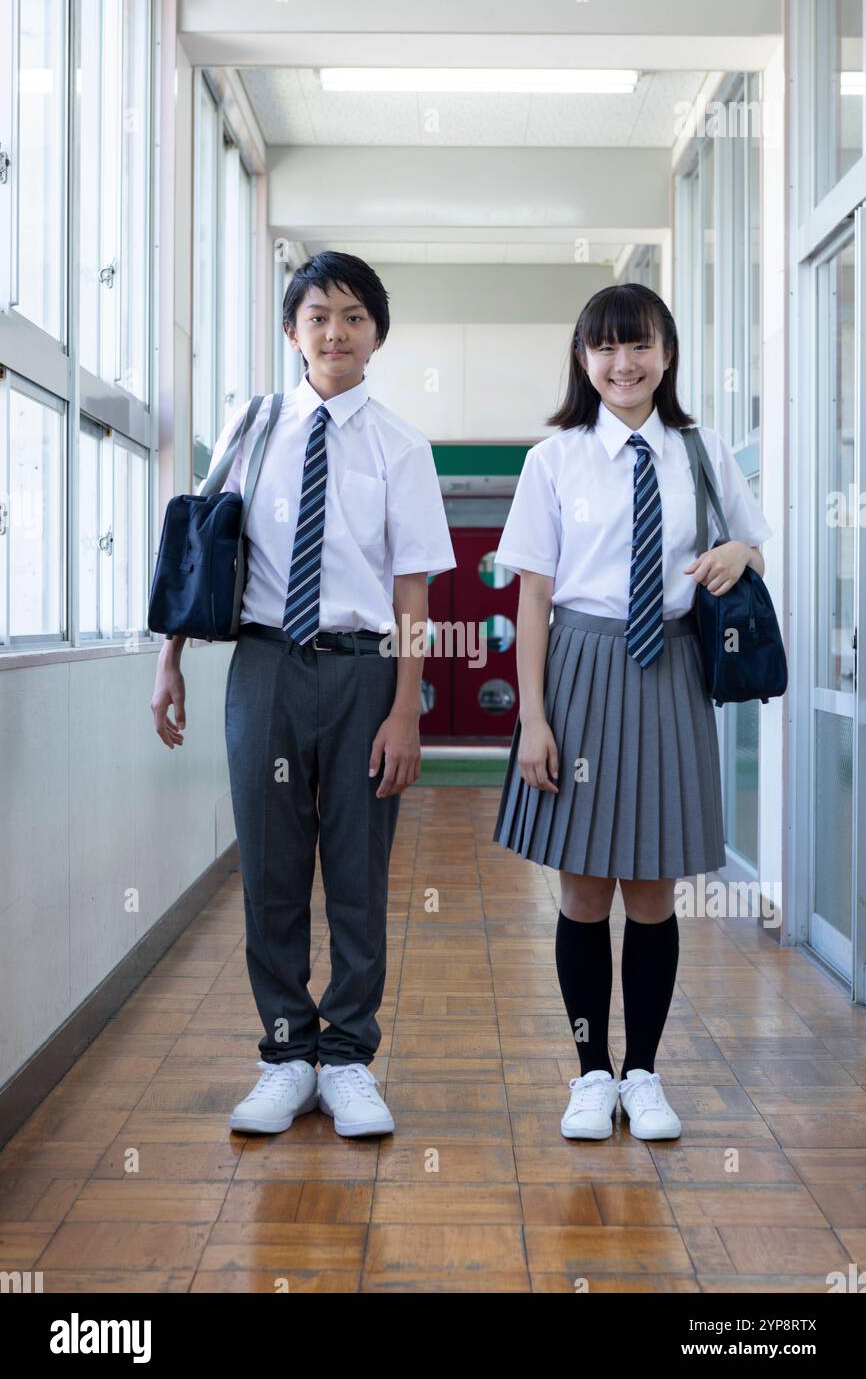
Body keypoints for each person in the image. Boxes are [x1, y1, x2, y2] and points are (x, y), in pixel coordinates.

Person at [151, 252, 455, 1138]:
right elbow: (199, 552)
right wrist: (168, 655)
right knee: (273, 872)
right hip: (264, 668)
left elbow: (412, 592)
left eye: (355, 316)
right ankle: (285, 1054)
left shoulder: (402, 446)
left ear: (378, 336)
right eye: (318, 314)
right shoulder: (250, 430)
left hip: (364, 672)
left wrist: (407, 707)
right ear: (293, 331)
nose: (336, 331)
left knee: (358, 871)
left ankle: (350, 1057)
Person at [492, 283, 773, 1142]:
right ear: (584, 360)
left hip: (671, 671)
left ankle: (643, 1073)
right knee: (582, 890)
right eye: (607, 348)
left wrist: (736, 550)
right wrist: (533, 718)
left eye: (641, 344)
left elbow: (751, 542)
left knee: (652, 890)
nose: (625, 363)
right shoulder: (555, 460)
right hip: (578, 668)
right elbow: (532, 600)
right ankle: (589, 1077)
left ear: (668, 353)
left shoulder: (700, 450)